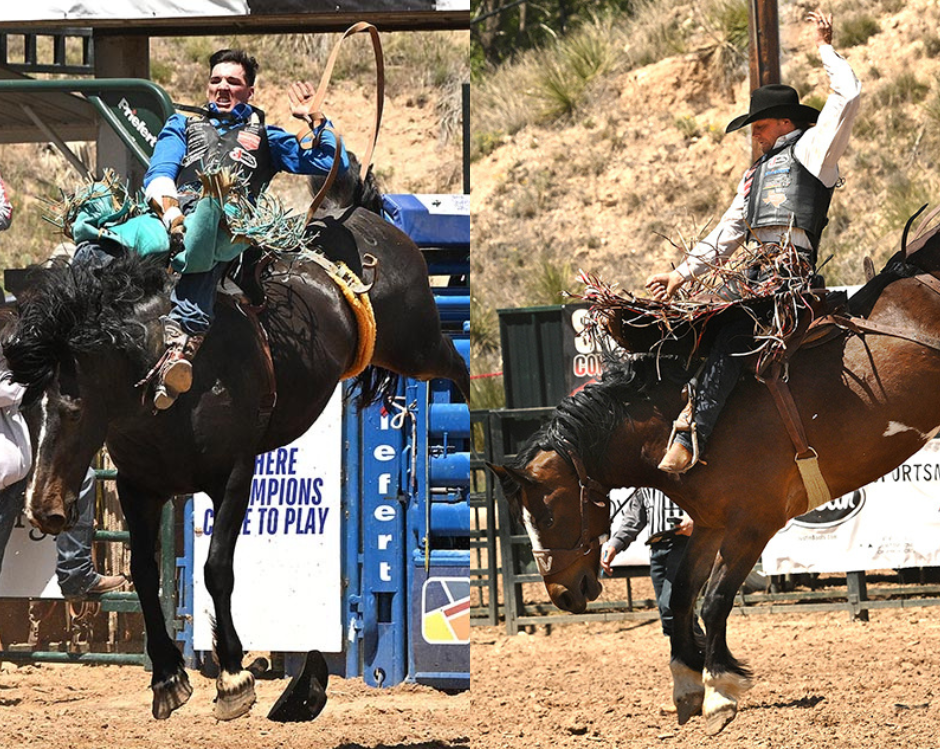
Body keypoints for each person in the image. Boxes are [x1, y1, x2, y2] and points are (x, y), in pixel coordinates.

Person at [645, 10, 861, 473]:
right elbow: (728, 230)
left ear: (785, 122)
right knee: (696, 324)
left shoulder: (814, 149)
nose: (755, 135)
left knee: (733, 335)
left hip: (790, 275)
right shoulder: (755, 175)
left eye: (760, 126)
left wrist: (825, 48)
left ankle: (695, 432)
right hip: (755, 272)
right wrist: (681, 275)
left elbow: (849, 96)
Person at [141, 48, 350, 410]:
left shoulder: (269, 138)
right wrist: (170, 212)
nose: (222, 88)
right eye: (216, 80)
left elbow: (334, 164)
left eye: (233, 82)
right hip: (171, 215)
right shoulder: (182, 125)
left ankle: (182, 345)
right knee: (102, 234)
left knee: (206, 238)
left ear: (249, 92)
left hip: (228, 228)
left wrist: (317, 120)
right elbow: (160, 171)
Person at [600, 488, 699, 640]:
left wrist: (696, 519)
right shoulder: (645, 482)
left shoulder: (689, 471)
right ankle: (689, 654)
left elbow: (710, 499)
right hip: (657, 549)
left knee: (673, 605)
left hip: (684, 545)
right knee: (667, 614)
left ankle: (698, 654)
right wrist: (615, 544)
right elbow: (634, 518)